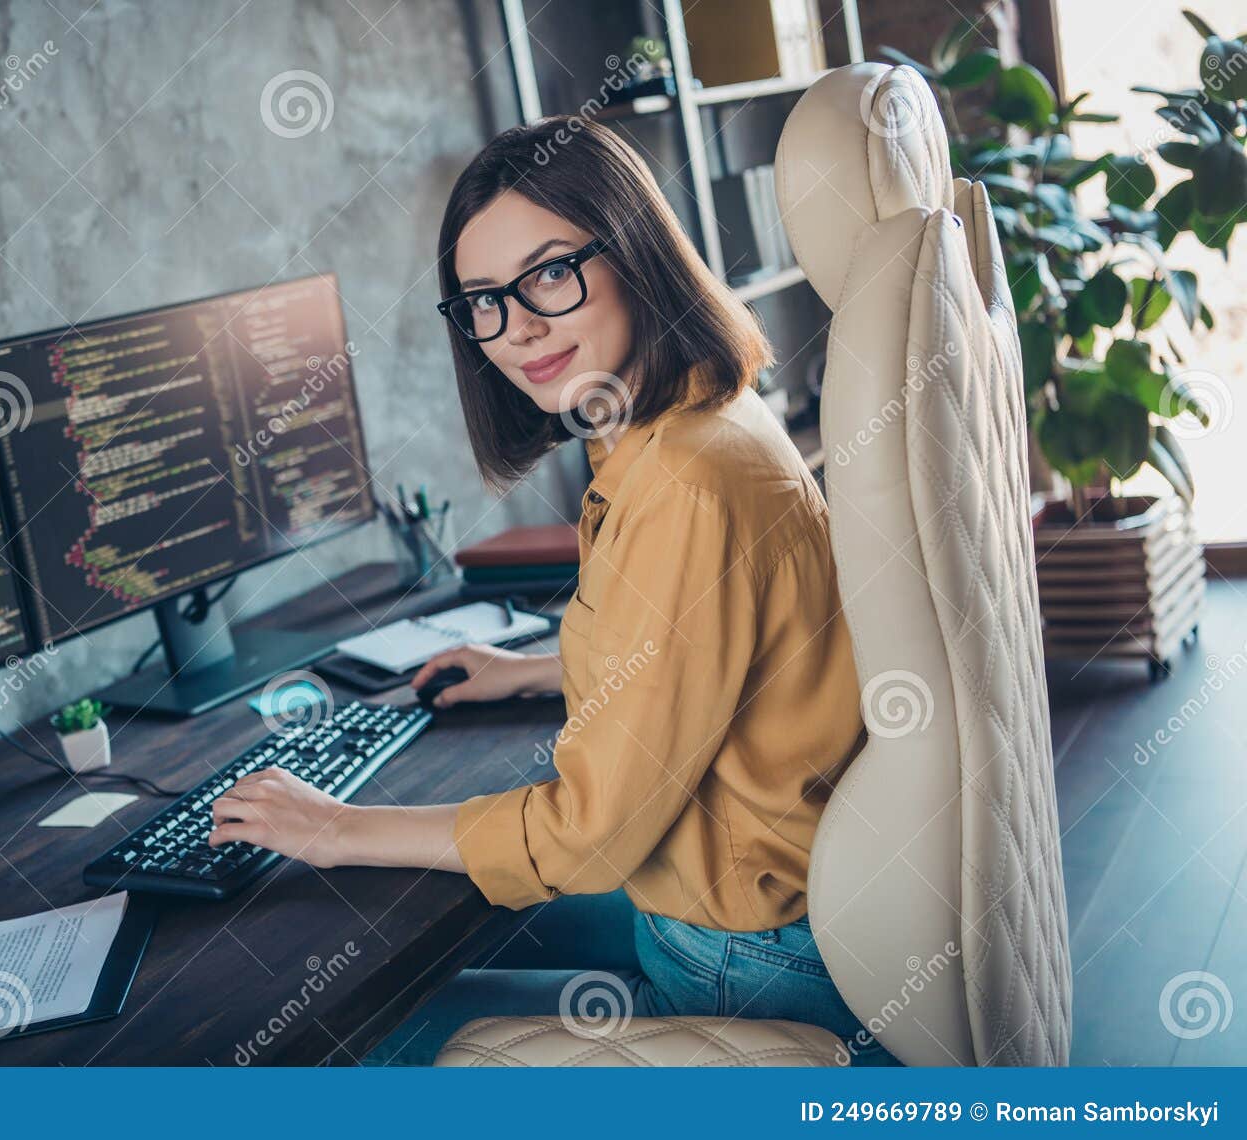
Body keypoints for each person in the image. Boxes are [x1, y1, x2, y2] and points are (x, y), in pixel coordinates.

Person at [207, 115, 896, 1067]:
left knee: (358, 1044)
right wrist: (528, 671)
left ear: (635, 251)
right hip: (773, 903)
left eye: (549, 273)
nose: (518, 326)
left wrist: (334, 824)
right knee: (442, 931)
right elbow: (707, 656)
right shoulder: (693, 418)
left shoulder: (686, 483)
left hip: (748, 959)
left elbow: (586, 837)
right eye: (483, 301)